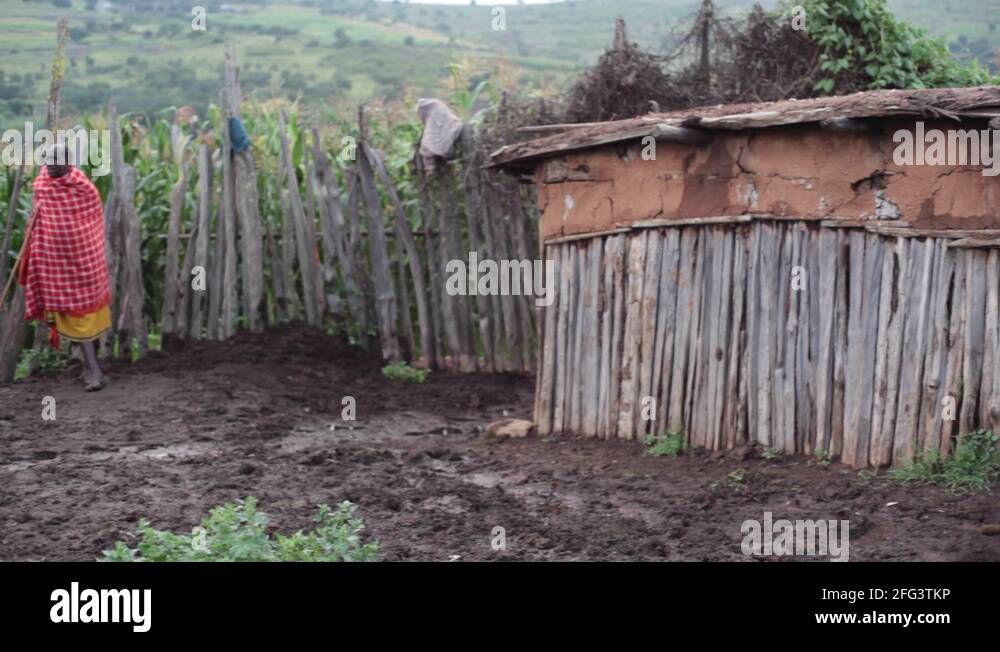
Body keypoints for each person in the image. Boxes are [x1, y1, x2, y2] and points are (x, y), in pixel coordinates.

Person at [19, 144, 111, 391]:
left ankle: (94, 371)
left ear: (68, 162)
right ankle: (91, 369)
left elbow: (90, 224)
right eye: (47, 160)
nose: (50, 164)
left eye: (55, 160)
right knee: (75, 320)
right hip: (55, 267)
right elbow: (38, 220)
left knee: (85, 318)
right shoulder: (42, 186)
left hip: (85, 266)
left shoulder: (83, 189)